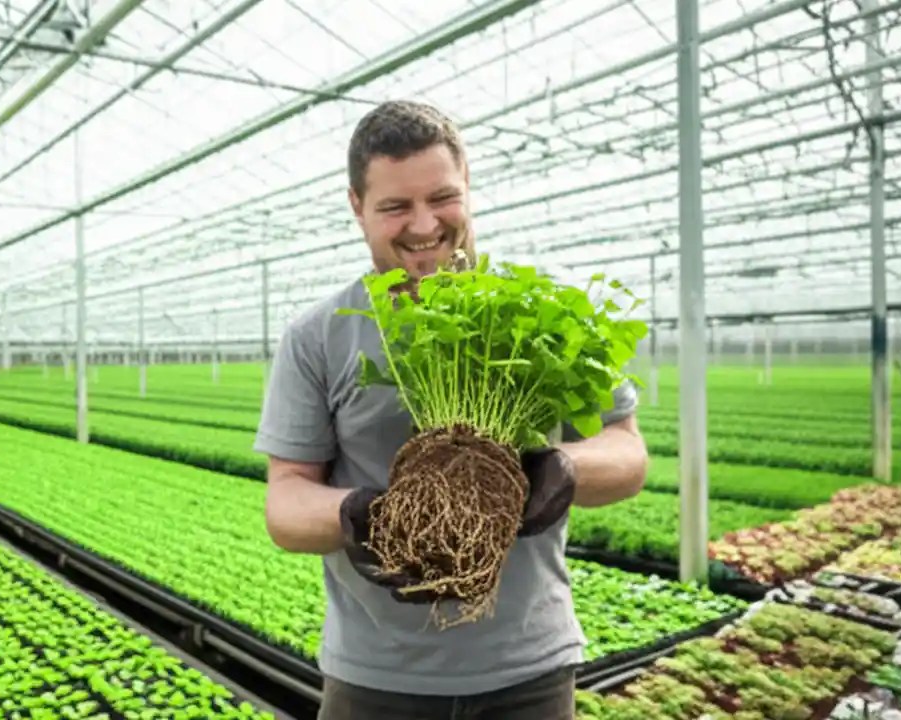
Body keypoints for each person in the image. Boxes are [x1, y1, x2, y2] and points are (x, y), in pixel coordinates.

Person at [252, 100, 649, 720]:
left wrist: (561, 469)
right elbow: (285, 503)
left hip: (530, 672)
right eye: (394, 207)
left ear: (469, 186)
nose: (424, 224)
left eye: (442, 197)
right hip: (374, 680)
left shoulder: (547, 306)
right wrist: (362, 513)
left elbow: (627, 453)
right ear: (356, 206)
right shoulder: (319, 335)